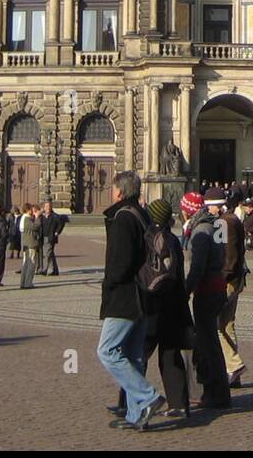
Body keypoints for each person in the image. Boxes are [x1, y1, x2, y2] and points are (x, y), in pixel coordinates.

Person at [112, 198, 192, 420]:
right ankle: (179, 405)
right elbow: (179, 275)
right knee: (170, 355)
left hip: (149, 304)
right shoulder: (173, 240)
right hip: (172, 304)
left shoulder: (146, 238)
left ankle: (128, 404)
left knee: (136, 355)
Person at [98, 171, 166, 432]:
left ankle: (147, 396)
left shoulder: (123, 217)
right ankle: (137, 414)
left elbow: (120, 263)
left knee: (107, 351)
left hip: (126, 297)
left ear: (119, 192)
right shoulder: (142, 214)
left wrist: (111, 283)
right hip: (145, 294)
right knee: (133, 355)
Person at [181, 191, 230, 411]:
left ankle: (216, 394)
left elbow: (198, 267)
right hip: (216, 286)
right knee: (210, 342)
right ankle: (214, 392)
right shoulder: (217, 225)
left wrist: (186, 290)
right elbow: (221, 254)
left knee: (208, 344)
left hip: (207, 290)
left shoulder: (201, 231)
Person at [218, 192, 248, 387]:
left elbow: (229, 254)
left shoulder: (224, 222)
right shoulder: (233, 219)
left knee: (217, 325)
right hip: (236, 279)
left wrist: (222, 277)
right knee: (228, 324)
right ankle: (231, 372)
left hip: (227, 281)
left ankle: (234, 365)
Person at [39, 200, 66, 276]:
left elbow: (61, 223)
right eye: (46, 206)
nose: (48, 208)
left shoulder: (55, 216)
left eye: (49, 206)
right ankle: (55, 270)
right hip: (43, 237)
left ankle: (44, 270)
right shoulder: (42, 216)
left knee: (47, 254)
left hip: (51, 237)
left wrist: (57, 232)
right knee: (50, 254)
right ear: (44, 207)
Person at [19, 203, 40, 289]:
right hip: (30, 244)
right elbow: (35, 227)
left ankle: (24, 282)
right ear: (28, 210)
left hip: (26, 244)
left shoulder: (24, 218)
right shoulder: (26, 219)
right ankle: (27, 283)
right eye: (31, 209)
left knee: (26, 263)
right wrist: (37, 217)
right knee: (30, 264)